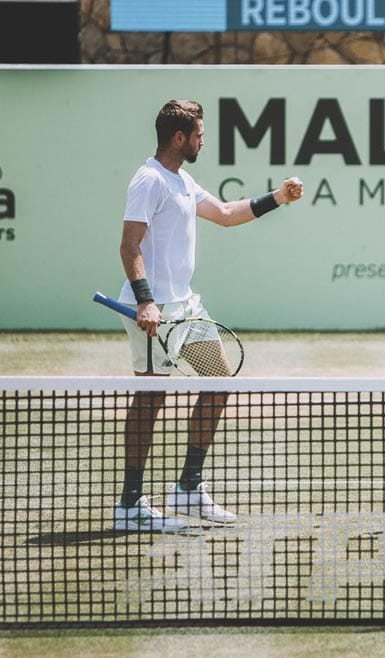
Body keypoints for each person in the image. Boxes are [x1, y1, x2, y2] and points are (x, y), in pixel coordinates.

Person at [113, 99, 304, 532]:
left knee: (219, 381)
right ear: (179, 137)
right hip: (154, 310)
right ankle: (129, 504)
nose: (203, 141)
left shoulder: (182, 179)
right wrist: (145, 301)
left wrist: (279, 197)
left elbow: (226, 215)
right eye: (199, 134)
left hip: (186, 307)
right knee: (151, 399)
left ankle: (188, 487)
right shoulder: (149, 179)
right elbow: (129, 244)